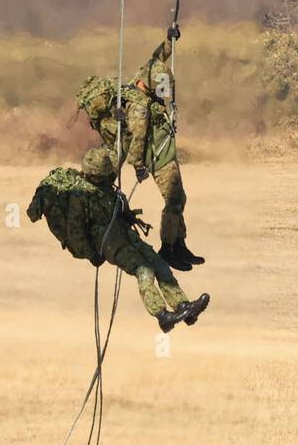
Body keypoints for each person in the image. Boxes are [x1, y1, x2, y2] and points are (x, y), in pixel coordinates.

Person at [26, 146, 209, 332]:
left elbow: (121, 150)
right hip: (107, 242)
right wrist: (90, 255)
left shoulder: (107, 188)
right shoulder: (81, 196)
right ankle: (162, 315)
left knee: (160, 264)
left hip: (125, 234)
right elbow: (76, 231)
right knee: (144, 270)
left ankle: (182, 306)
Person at [75, 42, 202, 273]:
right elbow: (138, 140)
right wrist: (139, 166)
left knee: (180, 199)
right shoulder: (139, 109)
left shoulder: (142, 77)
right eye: (159, 91)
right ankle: (169, 248)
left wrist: (169, 41)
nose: (161, 96)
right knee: (173, 202)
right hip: (159, 158)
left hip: (166, 152)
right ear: (151, 85)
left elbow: (156, 58)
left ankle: (180, 244)